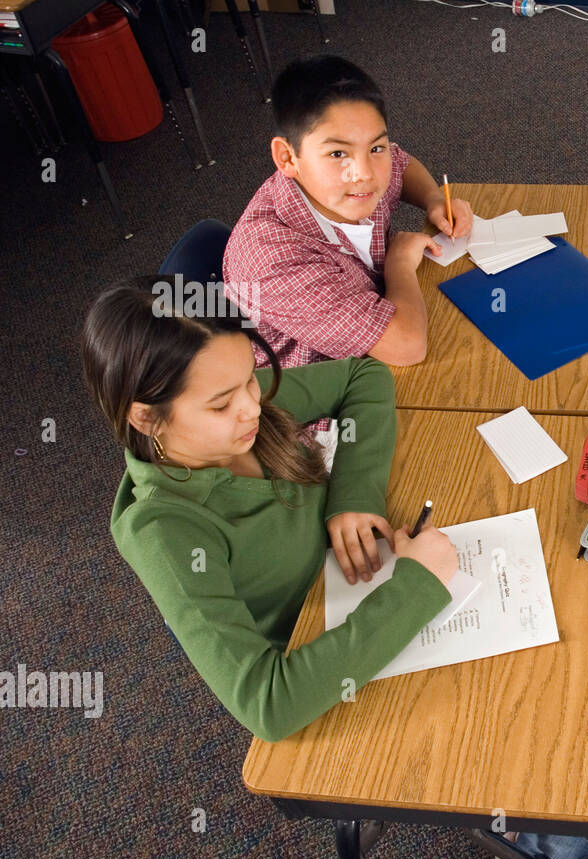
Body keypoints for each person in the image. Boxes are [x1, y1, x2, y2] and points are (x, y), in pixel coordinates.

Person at [85, 275, 458, 743]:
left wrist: (353, 498)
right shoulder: (163, 532)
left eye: (250, 381)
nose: (252, 408)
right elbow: (270, 708)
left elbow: (364, 376)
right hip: (324, 653)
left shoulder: (231, 393)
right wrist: (417, 588)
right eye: (221, 405)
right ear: (146, 417)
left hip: (357, 586)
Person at [223, 55, 473, 371]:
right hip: (315, 389)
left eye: (374, 148)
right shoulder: (272, 262)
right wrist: (399, 264)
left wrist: (434, 199)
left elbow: (399, 162)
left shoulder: (344, 186)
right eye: (338, 153)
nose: (364, 173)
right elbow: (408, 346)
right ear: (287, 157)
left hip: (377, 321)